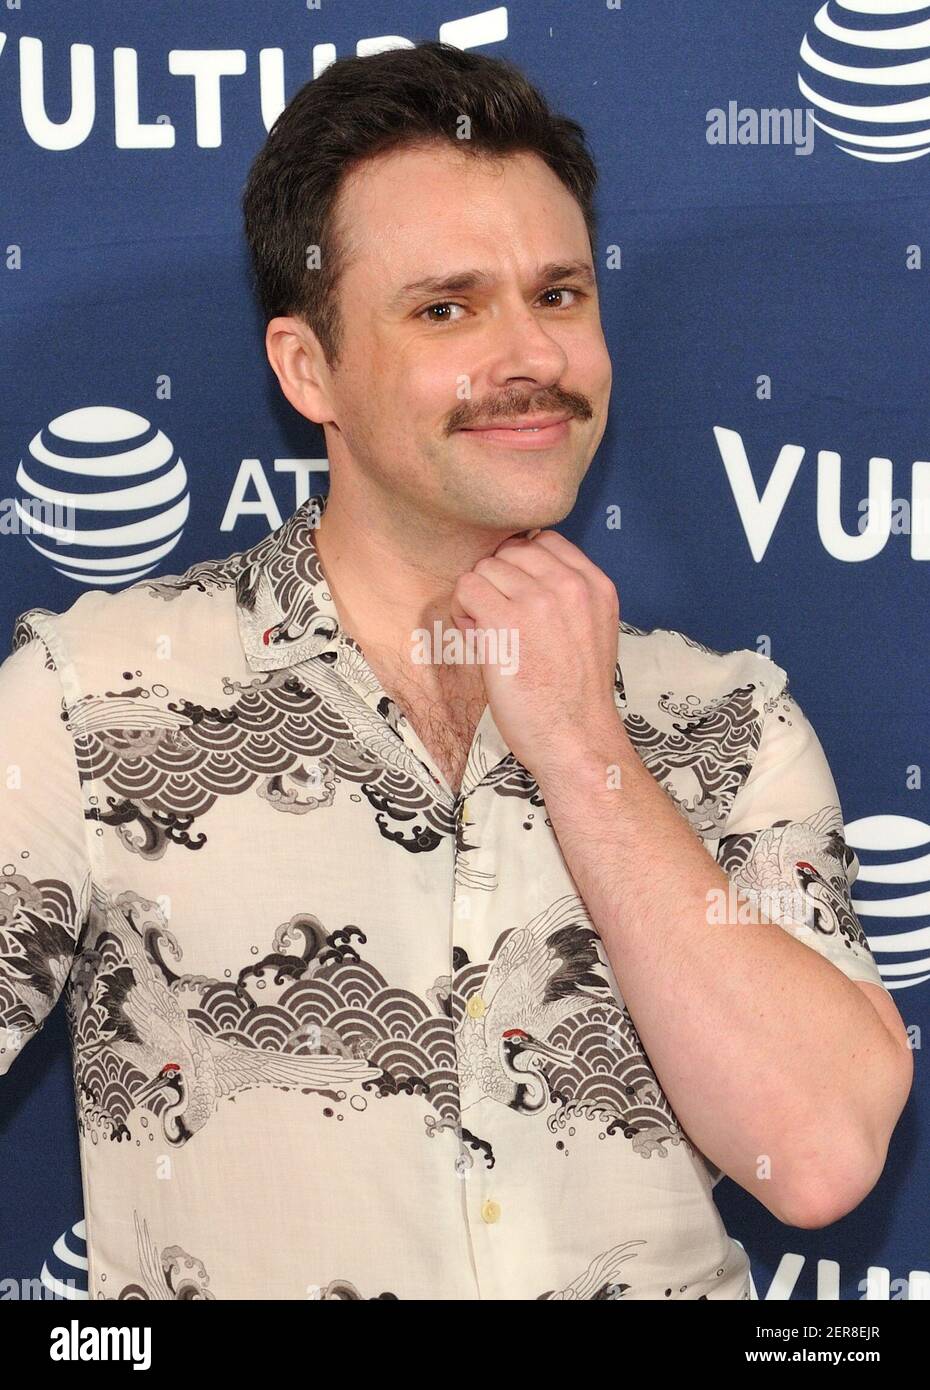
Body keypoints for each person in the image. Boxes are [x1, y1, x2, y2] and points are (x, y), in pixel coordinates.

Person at [0, 40, 911, 1301]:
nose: (529, 356)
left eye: (559, 294)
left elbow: (815, 1158)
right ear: (306, 368)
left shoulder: (726, 719)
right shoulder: (92, 698)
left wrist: (588, 747)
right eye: (446, 308)